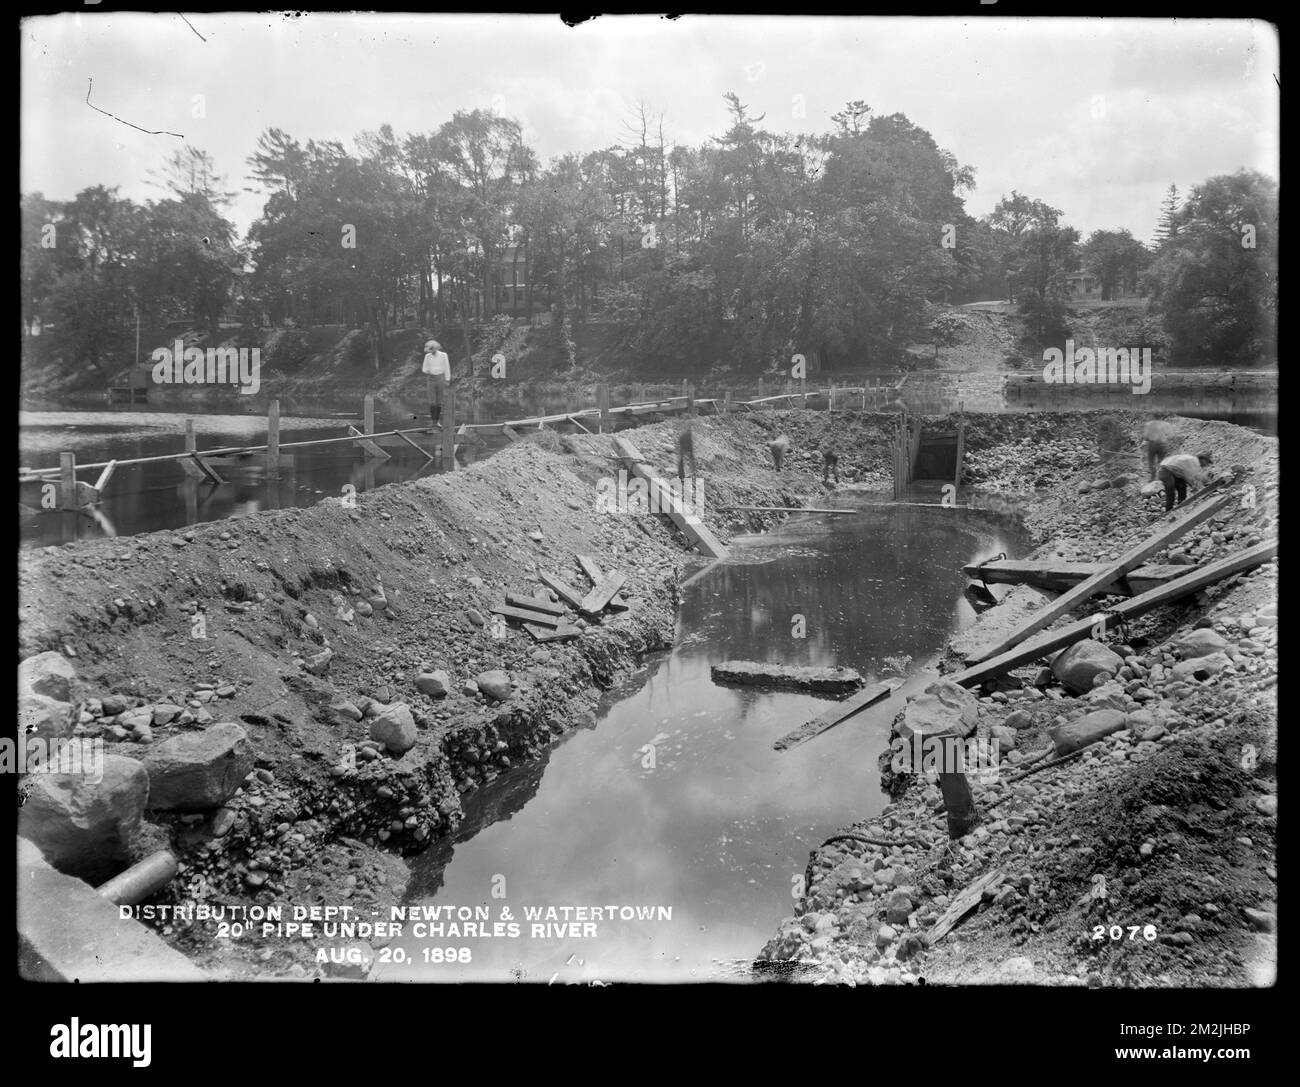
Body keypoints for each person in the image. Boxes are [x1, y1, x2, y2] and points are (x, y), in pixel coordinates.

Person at [422, 337, 452, 427]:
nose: (431, 351)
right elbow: (424, 368)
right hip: (431, 378)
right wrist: (428, 371)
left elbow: (447, 367)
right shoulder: (427, 356)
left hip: (441, 378)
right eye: (430, 350)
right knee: (432, 402)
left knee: (439, 401)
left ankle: (437, 421)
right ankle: (433, 421)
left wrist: (447, 379)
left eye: (432, 349)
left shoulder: (443, 355)